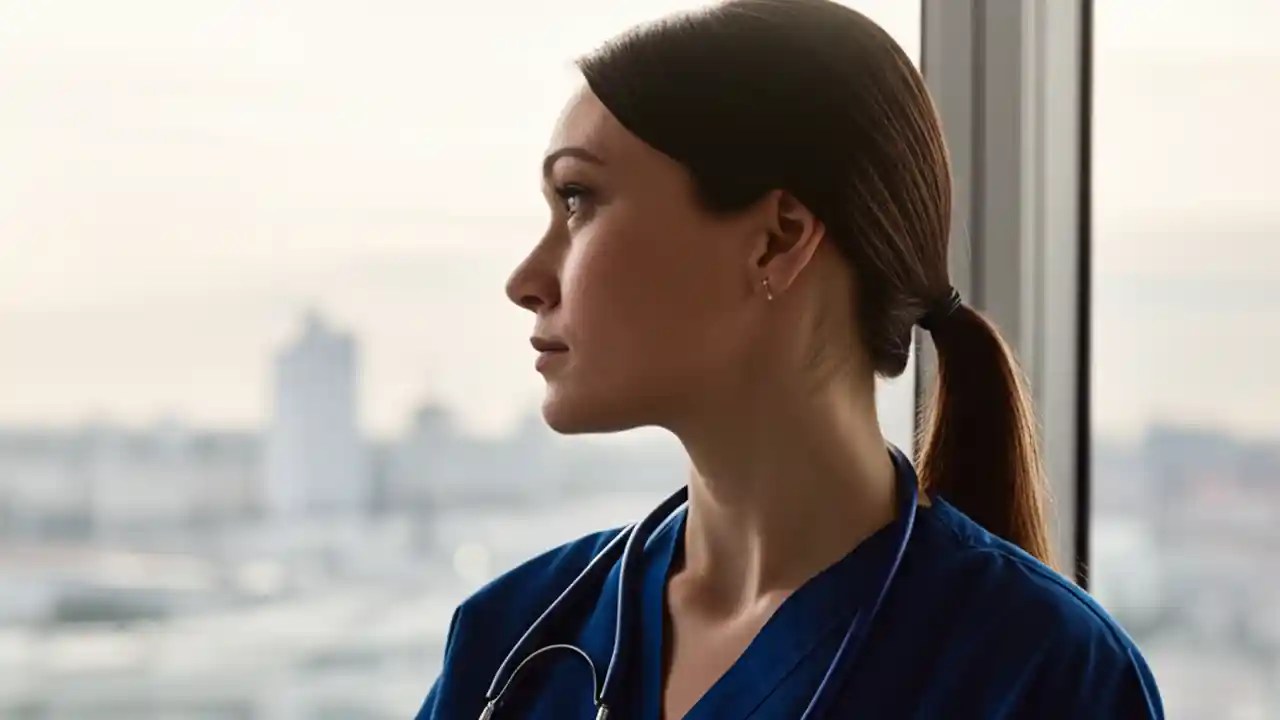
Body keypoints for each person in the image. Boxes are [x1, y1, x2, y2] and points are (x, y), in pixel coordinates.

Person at [416, 1, 1164, 717]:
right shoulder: (511, 638)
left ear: (778, 237)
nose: (525, 282)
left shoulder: (1047, 674)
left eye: (578, 199)